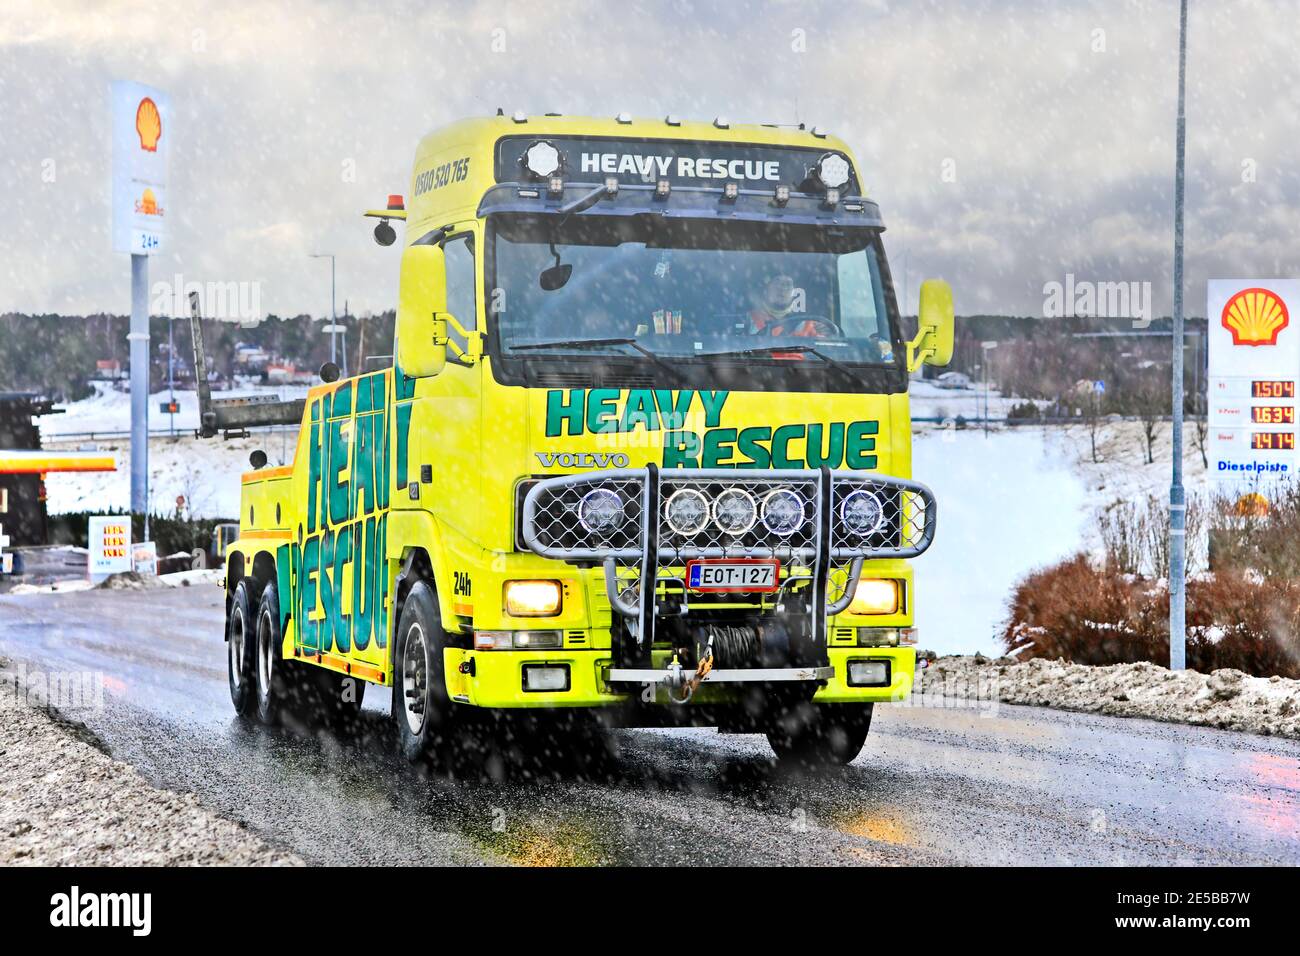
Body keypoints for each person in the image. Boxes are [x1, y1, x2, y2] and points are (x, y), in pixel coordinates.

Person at [748, 274, 829, 337]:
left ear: (794, 292)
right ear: (766, 289)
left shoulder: (809, 325)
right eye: (777, 283)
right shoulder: (748, 319)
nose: (782, 288)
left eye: (788, 284)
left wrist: (825, 332)